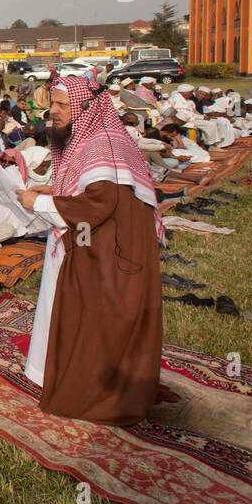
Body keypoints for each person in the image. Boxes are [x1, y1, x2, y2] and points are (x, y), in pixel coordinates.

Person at [15, 75, 162, 425]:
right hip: (86, 241)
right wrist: (53, 190)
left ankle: (88, 393)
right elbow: (85, 188)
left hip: (105, 254)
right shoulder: (92, 141)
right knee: (62, 311)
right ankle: (50, 373)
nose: (53, 112)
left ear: (86, 107)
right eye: (52, 104)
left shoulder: (102, 145)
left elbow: (99, 202)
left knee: (94, 322)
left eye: (62, 105)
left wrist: (38, 202)